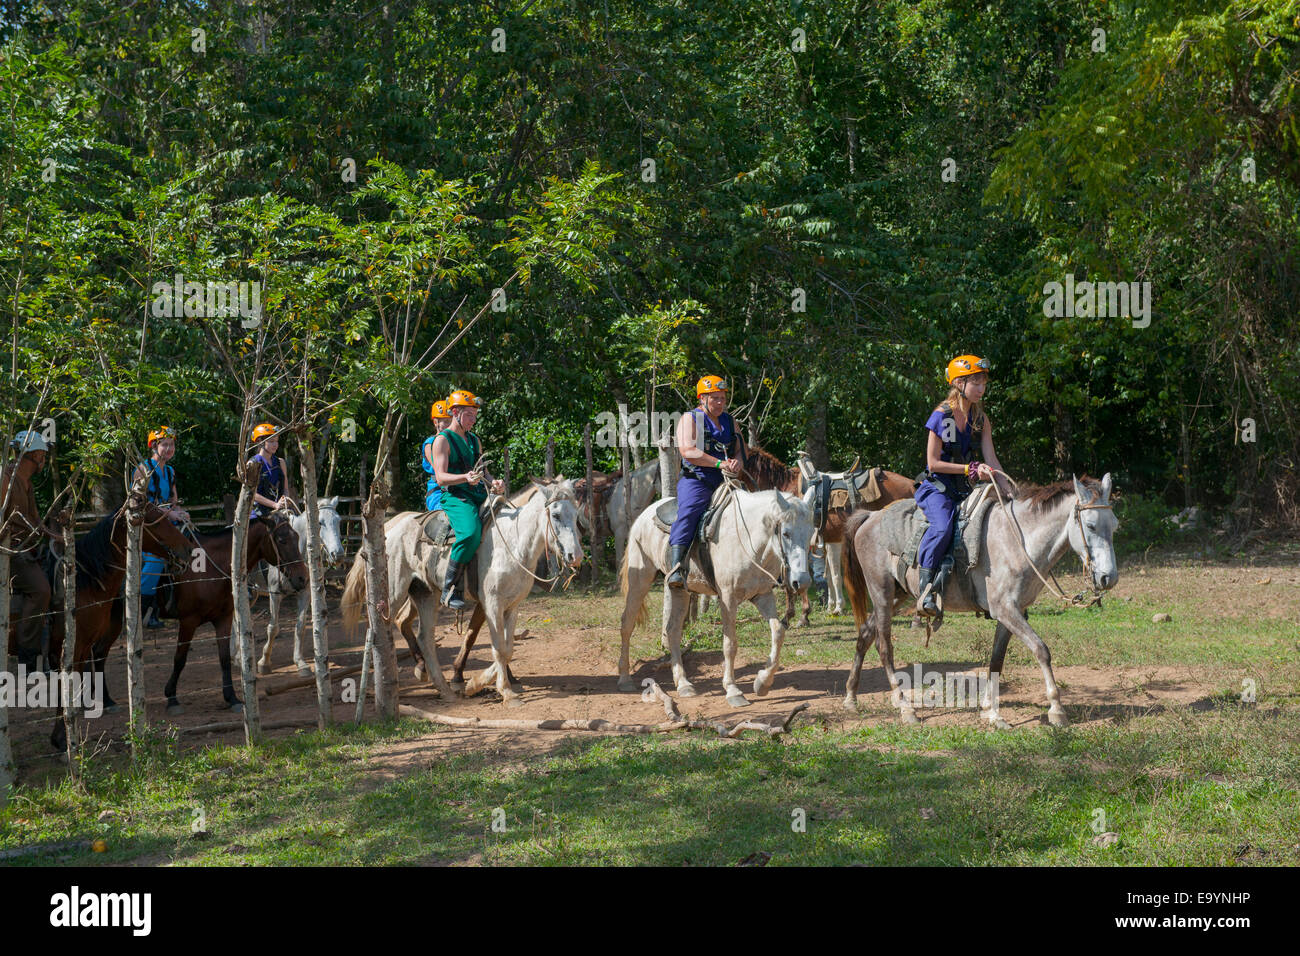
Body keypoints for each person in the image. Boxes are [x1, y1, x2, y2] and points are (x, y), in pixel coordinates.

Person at [913, 354, 1009, 616]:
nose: (981, 389)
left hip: (965, 488)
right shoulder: (942, 416)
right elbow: (932, 463)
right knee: (943, 526)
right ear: (958, 383)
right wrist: (970, 469)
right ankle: (927, 588)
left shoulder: (981, 420)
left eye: (983, 383)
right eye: (975, 383)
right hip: (937, 487)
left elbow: (992, 459)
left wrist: (1008, 488)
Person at [666, 375, 747, 588]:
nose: (720, 403)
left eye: (723, 398)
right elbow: (688, 451)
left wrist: (738, 462)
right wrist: (720, 463)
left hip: (727, 480)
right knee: (690, 510)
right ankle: (676, 567)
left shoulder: (730, 421)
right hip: (697, 480)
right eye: (715, 399)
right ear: (702, 398)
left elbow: (741, 450)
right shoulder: (690, 418)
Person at [430, 390, 505, 610]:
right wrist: (464, 477)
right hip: (455, 496)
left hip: (477, 493)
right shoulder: (441, 441)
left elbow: (484, 471)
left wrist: (494, 483)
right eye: (469, 415)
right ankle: (450, 588)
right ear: (455, 413)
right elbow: (441, 477)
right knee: (471, 533)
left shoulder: (474, 440)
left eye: (475, 415)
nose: (474, 419)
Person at [1, 430, 61, 669]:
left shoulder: (27, 484)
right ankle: (27, 655)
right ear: (35, 454)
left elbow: (35, 519)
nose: (44, 461)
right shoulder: (5, 478)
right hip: (9, 551)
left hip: (26, 548)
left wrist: (55, 536)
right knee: (41, 590)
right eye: (43, 456)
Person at [133, 427, 191, 628]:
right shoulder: (142, 469)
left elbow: (172, 500)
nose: (168, 448)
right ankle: (142, 615)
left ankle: (177, 603)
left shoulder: (170, 471)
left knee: (192, 544)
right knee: (155, 561)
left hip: (166, 521)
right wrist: (169, 513)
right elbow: (140, 502)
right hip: (148, 524)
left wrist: (180, 512)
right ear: (154, 446)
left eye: (171, 444)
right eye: (164, 444)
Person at [248, 423, 296, 519]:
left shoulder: (281, 462)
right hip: (258, 514)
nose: (275, 445)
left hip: (280, 512)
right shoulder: (252, 464)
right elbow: (252, 493)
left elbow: (286, 489)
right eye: (271, 441)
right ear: (260, 442)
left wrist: (284, 499)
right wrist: (274, 505)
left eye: (277, 441)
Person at [421, 399, 452, 512]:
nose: (450, 425)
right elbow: (439, 470)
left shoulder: (456, 442)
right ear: (435, 422)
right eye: (446, 422)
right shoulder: (430, 444)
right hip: (439, 490)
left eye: (452, 422)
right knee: (444, 515)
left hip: (460, 486)